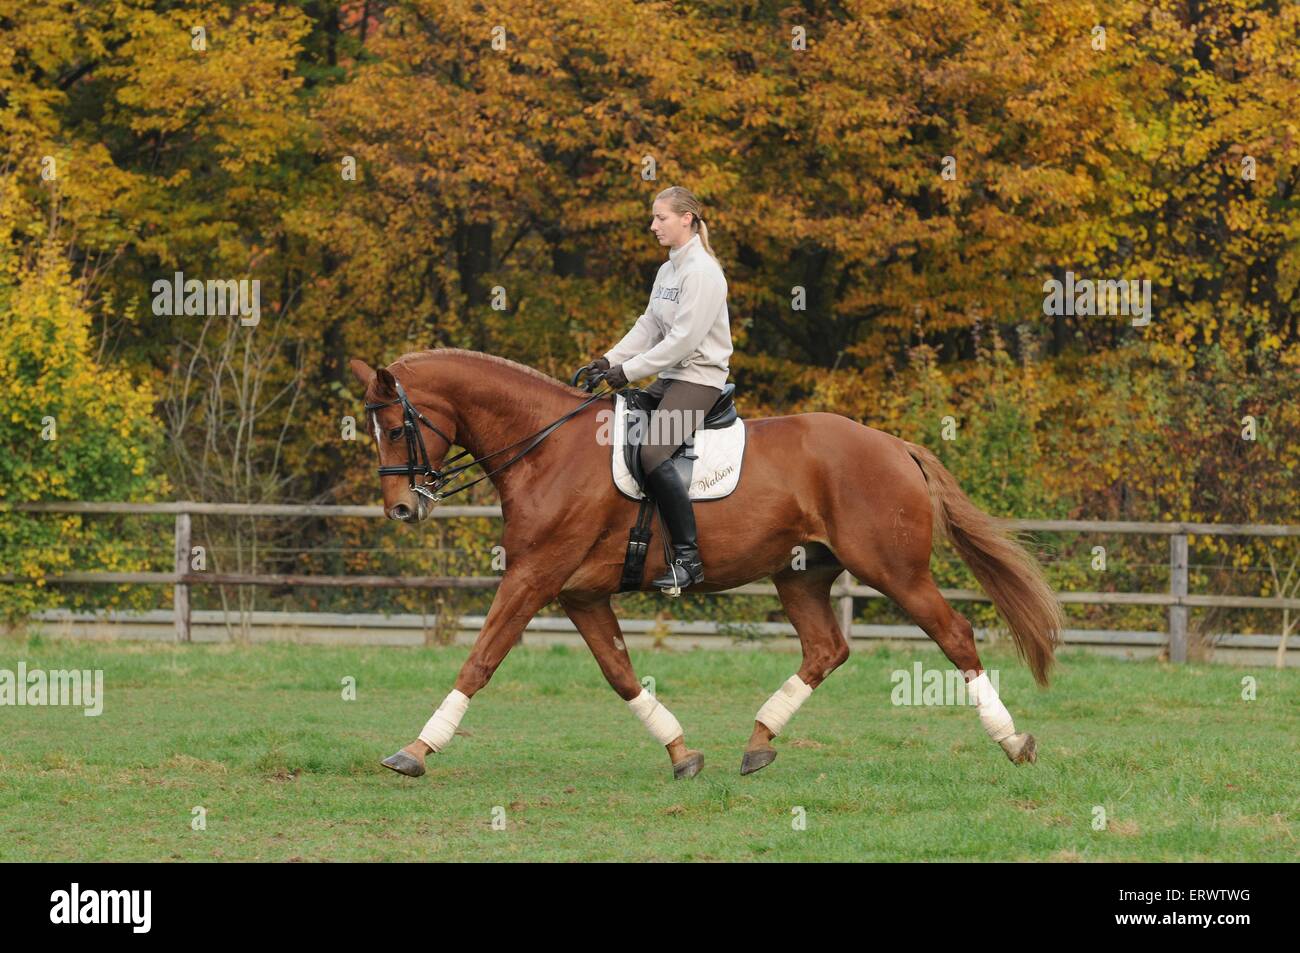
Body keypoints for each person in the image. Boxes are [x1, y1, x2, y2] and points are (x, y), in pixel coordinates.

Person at [577, 186, 733, 591]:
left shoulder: (703, 273)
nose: (653, 225)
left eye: (660, 217)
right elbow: (648, 326)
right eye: (653, 217)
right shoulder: (669, 270)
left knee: (653, 450)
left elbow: (681, 342)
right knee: (607, 424)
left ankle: (687, 558)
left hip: (699, 380)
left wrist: (627, 372)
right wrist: (608, 361)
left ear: (686, 219)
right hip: (671, 378)